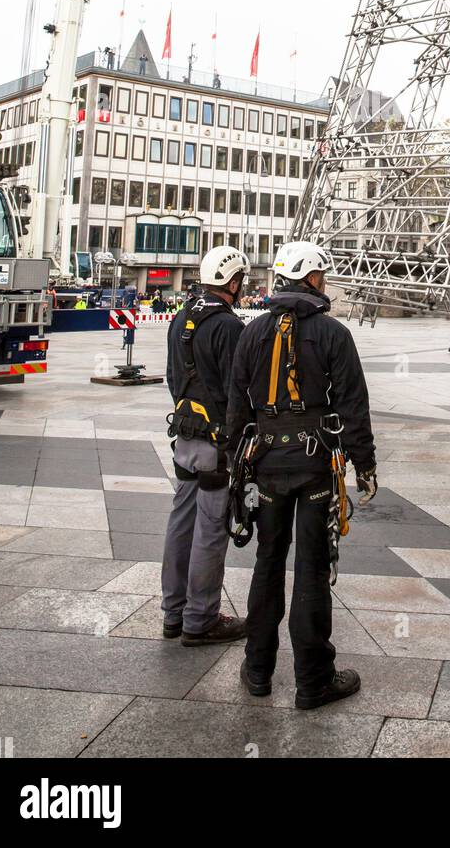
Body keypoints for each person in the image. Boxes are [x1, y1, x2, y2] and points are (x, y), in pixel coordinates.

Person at [227, 241, 377, 710]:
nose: (325, 283)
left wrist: (237, 465)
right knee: (311, 568)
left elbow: (237, 407)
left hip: (267, 464)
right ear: (310, 279)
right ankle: (313, 681)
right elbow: (353, 404)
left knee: (269, 562)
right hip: (315, 467)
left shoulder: (251, 334)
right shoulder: (332, 334)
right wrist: (364, 463)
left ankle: (258, 669)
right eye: (322, 276)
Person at [160, 245, 251, 644]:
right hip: (217, 444)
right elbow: (240, 390)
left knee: (180, 523)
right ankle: (200, 620)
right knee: (211, 529)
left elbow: (171, 378)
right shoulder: (228, 327)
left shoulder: (182, 318)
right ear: (232, 282)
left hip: (185, 437)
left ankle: (173, 612)